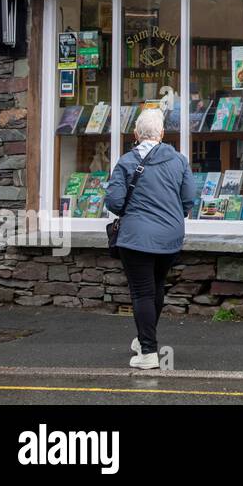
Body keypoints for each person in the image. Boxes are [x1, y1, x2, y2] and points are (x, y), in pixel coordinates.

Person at [104, 108, 194, 371]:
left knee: (142, 292)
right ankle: (145, 339)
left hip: (136, 238)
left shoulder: (126, 162)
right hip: (170, 237)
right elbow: (188, 199)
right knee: (156, 288)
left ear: (135, 134)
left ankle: (148, 352)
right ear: (163, 133)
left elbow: (114, 202)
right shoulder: (179, 161)